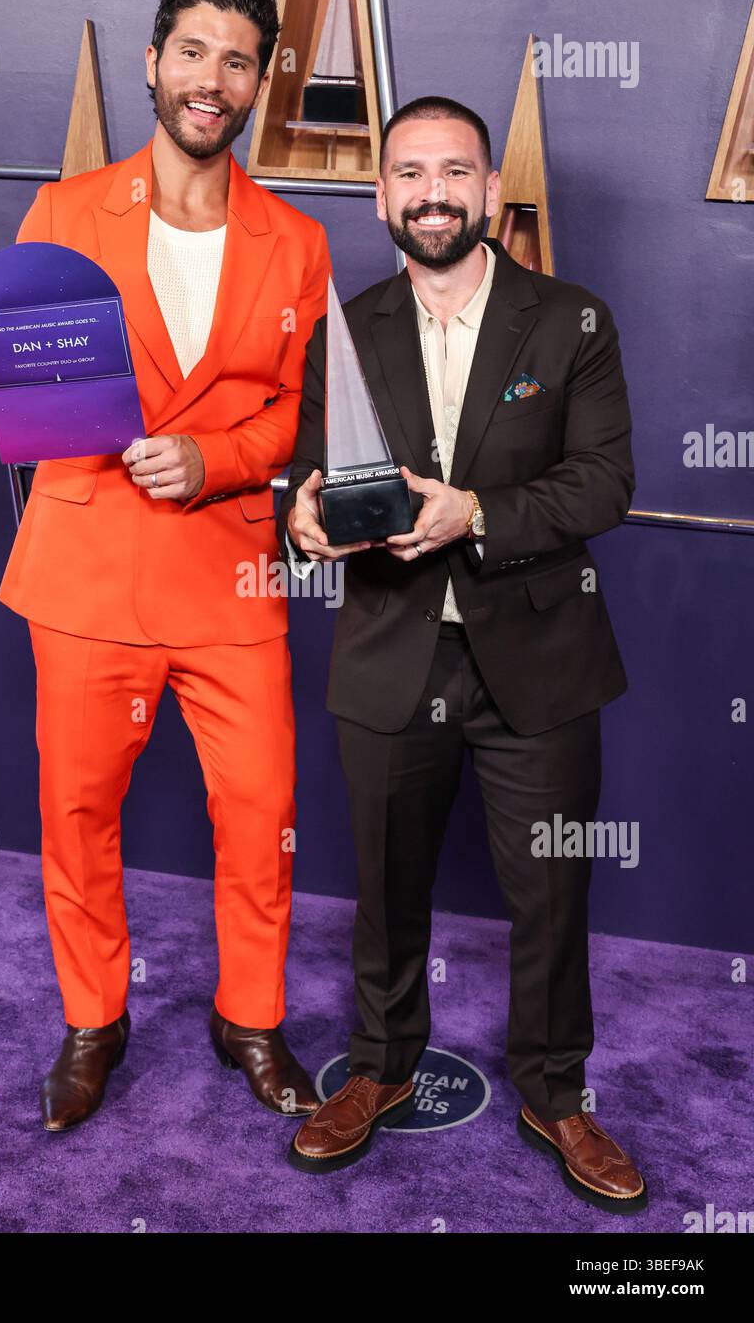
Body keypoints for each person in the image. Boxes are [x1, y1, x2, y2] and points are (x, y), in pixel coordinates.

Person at [0, 0, 331, 1133]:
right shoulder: (64, 209)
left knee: (260, 812)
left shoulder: (296, 241)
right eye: (193, 52)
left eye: (237, 60)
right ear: (154, 64)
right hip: (89, 571)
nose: (213, 79)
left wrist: (216, 463)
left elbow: (288, 416)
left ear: (258, 83)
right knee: (77, 813)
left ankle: (250, 1016)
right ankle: (93, 1021)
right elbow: (22, 386)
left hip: (229, 575)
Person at [277, 96, 646, 1212]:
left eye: (454, 172)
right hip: (390, 654)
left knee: (549, 890)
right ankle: (381, 1068)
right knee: (384, 887)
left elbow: (603, 484)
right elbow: (312, 479)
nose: (432, 193)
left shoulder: (572, 320)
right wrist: (300, 520)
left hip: (537, 658)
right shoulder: (344, 328)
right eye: (408, 174)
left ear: (489, 190)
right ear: (381, 194)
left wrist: (472, 512)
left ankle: (553, 1090)